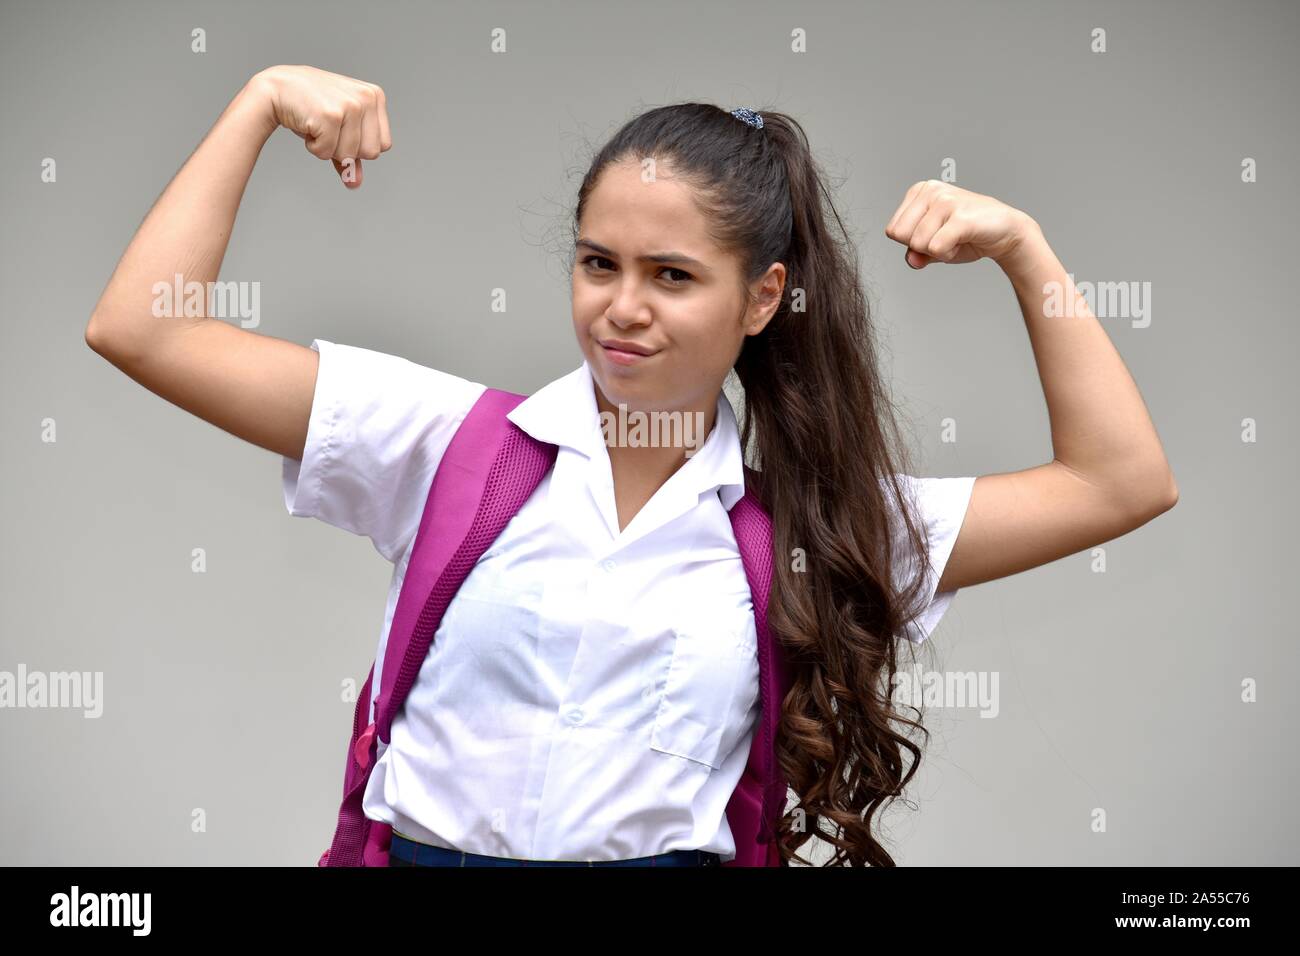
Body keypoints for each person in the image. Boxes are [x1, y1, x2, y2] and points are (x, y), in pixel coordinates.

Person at [85, 65, 1178, 867]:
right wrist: (259, 102)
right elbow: (146, 329)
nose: (623, 307)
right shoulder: (444, 440)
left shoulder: (812, 526)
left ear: (761, 298)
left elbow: (1117, 480)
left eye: (672, 274)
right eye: (598, 262)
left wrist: (1024, 247)